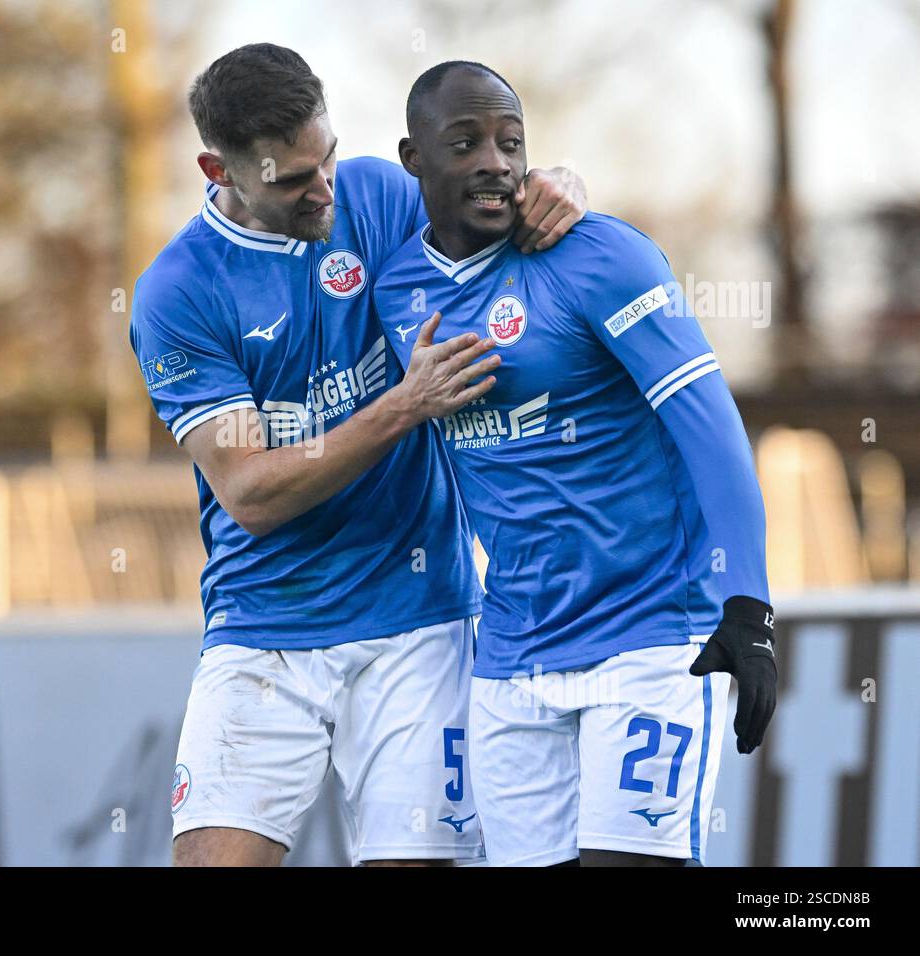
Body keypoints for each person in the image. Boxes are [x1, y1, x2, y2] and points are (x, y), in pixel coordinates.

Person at [129, 44, 587, 866]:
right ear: (217, 167)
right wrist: (404, 405)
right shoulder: (179, 293)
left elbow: (495, 204)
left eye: (327, 156)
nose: (323, 189)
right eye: (292, 179)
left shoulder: (377, 194)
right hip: (267, 624)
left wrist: (562, 189)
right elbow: (254, 492)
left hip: (420, 619)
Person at [373, 60, 776, 866]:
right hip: (512, 656)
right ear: (413, 160)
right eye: (465, 142)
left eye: (512, 142)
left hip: (651, 636)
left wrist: (750, 608)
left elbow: (710, 428)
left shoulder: (602, 257)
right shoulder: (397, 288)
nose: (496, 160)